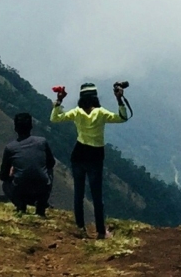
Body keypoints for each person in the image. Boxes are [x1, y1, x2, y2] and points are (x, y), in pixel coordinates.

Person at [49, 81, 131, 238]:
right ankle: (101, 231)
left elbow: (55, 118)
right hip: (95, 156)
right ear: (95, 97)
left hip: (78, 154)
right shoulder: (100, 113)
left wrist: (59, 101)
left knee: (78, 193)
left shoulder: (77, 112)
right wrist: (119, 99)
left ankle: (80, 228)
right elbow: (122, 117)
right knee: (96, 195)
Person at [0, 112, 55, 216]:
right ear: (31, 126)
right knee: (49, 170)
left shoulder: (10, 148)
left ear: (15, 128)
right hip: (41, 190)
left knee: (5, 184)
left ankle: (20, 206)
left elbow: (3, 176)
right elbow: (51, 163)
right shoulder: (42, 142)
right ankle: (41, 205)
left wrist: (12, 174)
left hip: (21, 190)